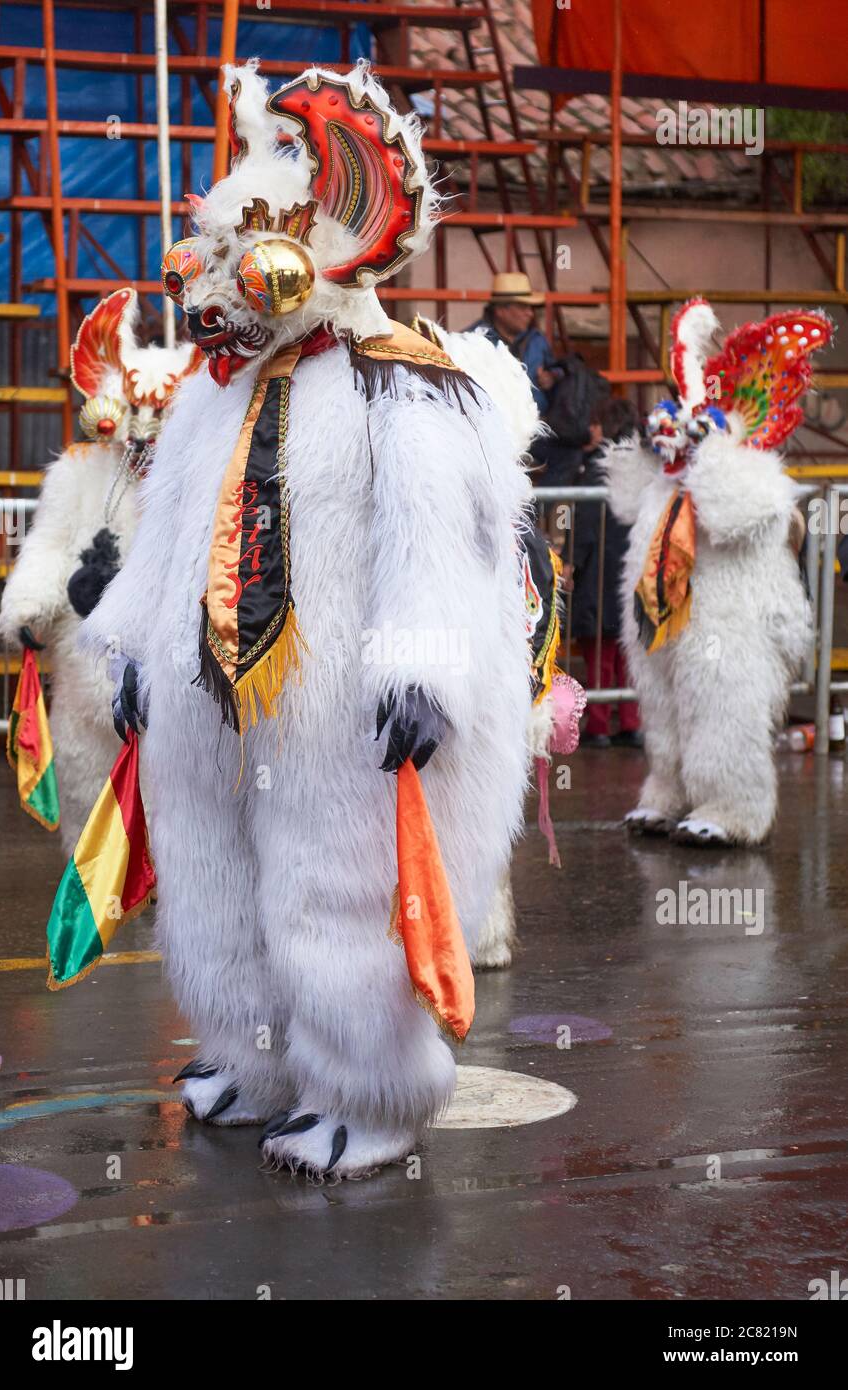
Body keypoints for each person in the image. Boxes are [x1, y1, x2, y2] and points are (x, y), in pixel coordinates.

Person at [80, 61, 533, 1179]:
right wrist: (130, 639)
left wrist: (419, 675)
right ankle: (254, 1059)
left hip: (335, 718)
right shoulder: (210, 394)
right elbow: (165, 531)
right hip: (207, 702)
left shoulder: (402, 385)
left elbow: (435, 546)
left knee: (333, 885)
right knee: (211, 872)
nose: (210, 276)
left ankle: (366, 1092)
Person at [604, 298, 831, 847]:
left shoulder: (749, 468)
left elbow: (742, 518)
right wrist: (645, 444)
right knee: (662, 705)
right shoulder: (668, 478)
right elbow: (625, 502)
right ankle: (669, 791)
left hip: (728, 622)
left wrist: (710, 453)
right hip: (663, 616)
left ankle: (733, 808)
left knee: (724, 703)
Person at [0, 290, 200, 850]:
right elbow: (49, 544)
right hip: (85, 672)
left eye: (160, 414)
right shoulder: (78, 472)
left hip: (166, 675)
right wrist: (30, 606)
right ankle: (94, 906)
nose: (145, 430)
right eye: (138, 413)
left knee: (171, 805)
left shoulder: (196, 483)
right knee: (88, 792)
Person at [571, 395, 642, 747]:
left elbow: (584, 525)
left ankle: (598, 725)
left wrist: (571, 563)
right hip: (635, 572)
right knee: (631, 652)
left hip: (599, 573)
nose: (592, 430)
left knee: (599, 653)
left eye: (596, 423)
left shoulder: (598, 467)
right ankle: (631, 722)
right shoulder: (647, 468)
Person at [466, 271, 555, 411]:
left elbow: (554, 368)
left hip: (539, 426)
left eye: (531, 308)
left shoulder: (537, 340)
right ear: (501, 310)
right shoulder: (472, 341)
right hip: (491, 426)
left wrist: (552, 377)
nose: (530, 313)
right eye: (522, 307)